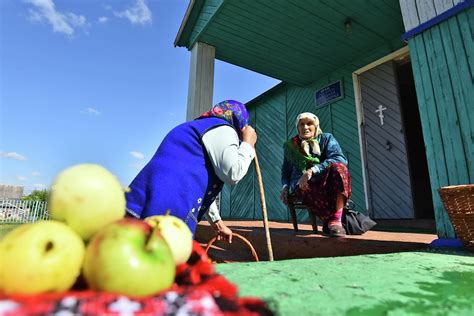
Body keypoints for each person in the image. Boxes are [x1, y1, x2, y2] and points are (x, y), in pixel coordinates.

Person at [126, 100, 257, 243]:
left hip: (146, 197)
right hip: (170, 204)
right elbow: (233, 173)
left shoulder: (197, 128)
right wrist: (248, 144)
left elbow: (198, 183)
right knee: (160, 255)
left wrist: (217, 222)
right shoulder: (224, 128)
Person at [280, 112, 351, 237]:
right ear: (297, 128)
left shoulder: (326, 138)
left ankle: (336, 220)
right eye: (301, 124)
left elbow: (340, 158)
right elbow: (286, 172)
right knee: (305, 185)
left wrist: (312, 170)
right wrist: (285, 188)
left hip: (324, 178)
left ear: (316, 125)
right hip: (300, 183)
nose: (305, 127)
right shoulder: (291, 146)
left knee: (339, 168)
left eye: (309, 124)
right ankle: (333, 220)